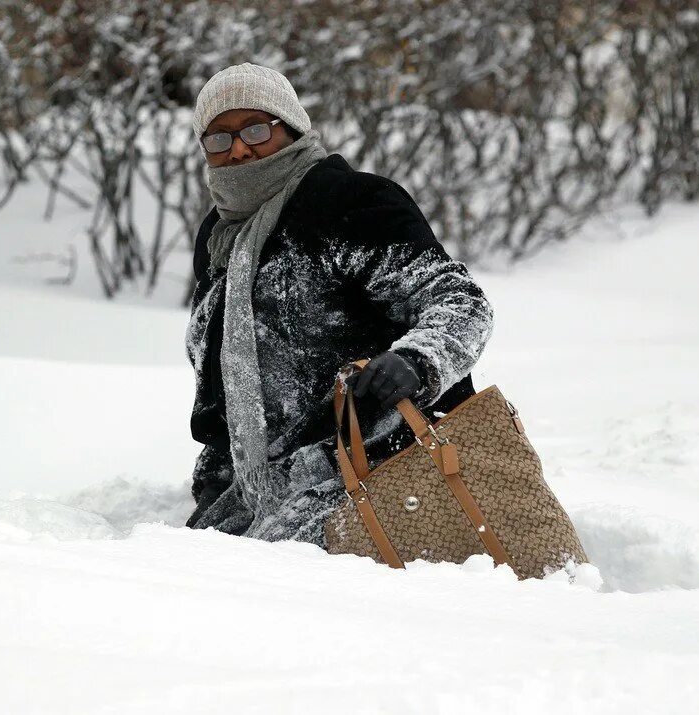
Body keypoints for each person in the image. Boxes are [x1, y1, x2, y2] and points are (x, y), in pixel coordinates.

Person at [184, 62, 494, 546]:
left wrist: (417, 360)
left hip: (374, 462)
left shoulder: (348, 202)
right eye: (219, 138)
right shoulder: (220, 235)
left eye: (255, 128)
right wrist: (220, 469)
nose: (240, 148)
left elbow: (457, 301)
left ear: (290, 127)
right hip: (256, 486)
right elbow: (222, 368)